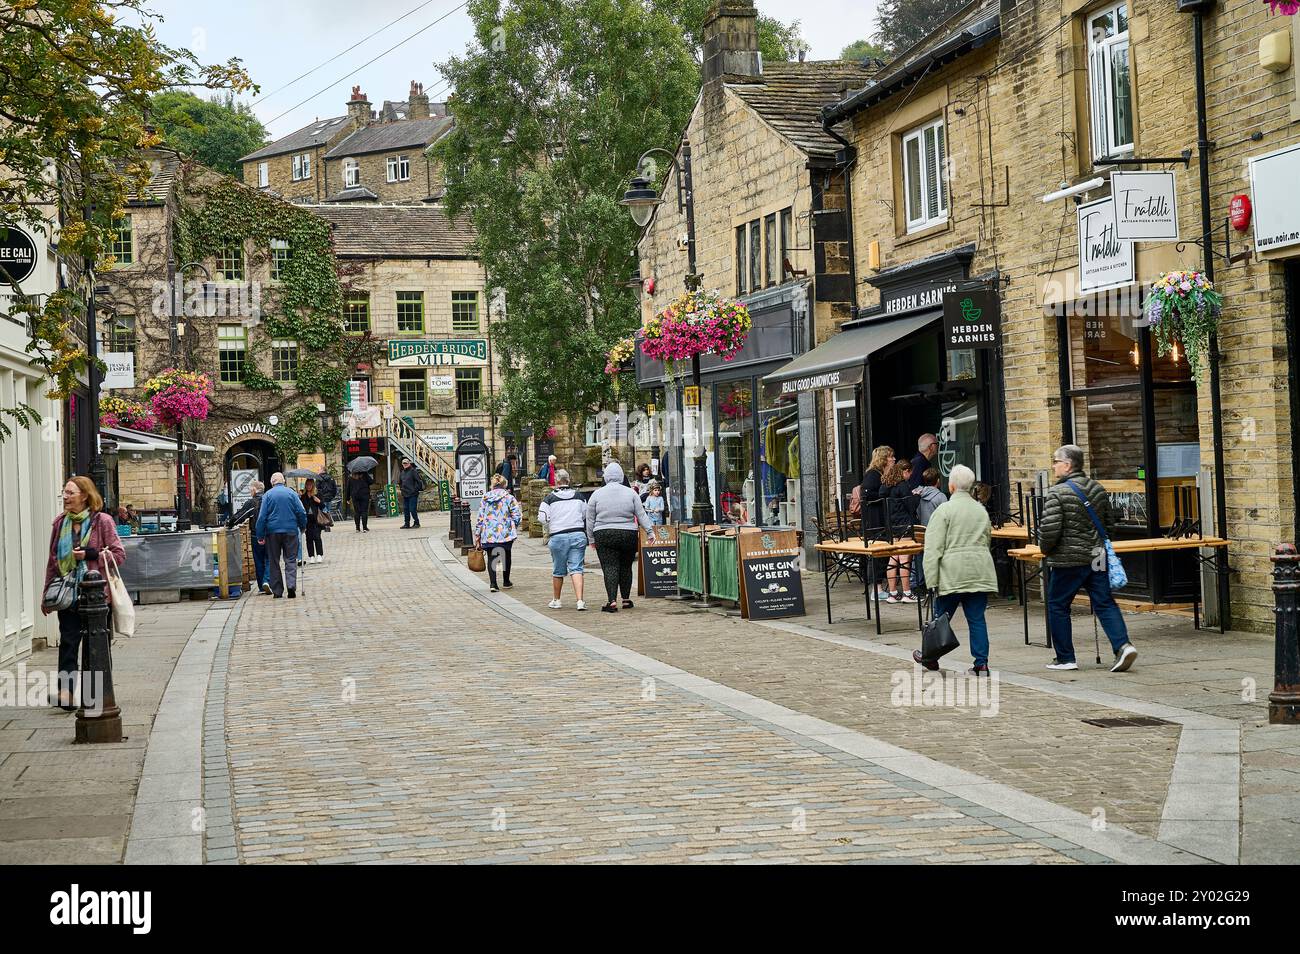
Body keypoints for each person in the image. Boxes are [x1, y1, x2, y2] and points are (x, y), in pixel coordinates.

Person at [1039, 444, 1138, 673]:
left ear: (1067, 464)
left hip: (1068, 559)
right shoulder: (1097, 488)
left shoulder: (1057, 493)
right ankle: (1123, 646)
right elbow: (1109, 525)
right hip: (1097, 555)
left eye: (1056, 461)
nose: (1053, 465)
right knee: (1104, 602)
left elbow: (1050, 531)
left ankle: (1065, 658)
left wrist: (1045, 549)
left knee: (1057, 606)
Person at [42, 476, 126, 710]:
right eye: (65, 493)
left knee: (95, 646)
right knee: (68, 643)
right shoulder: (60, 523)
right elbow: (53, 561)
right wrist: (46, 593)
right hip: (68, 593)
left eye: (70, 493)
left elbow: (119, 555)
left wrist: (91, 555)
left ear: (85, 496)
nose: (66, 497)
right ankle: (66, 694)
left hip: (96, 596)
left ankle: (95, 696)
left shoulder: (103, 521)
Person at [913, 464, 997, 676]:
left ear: (951, 486)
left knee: (940, 618)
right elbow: (987, 540)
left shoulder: (944, 511)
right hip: (978, 571)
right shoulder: (981, 510)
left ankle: (930, 657)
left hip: (951, 574)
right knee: (977, 619)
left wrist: (930, 580)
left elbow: (933, 548)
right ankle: (982, 663)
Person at [586, 461, 652, 613]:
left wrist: (591, 539)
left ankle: (612, 601)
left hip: (604, 533)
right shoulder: (631, 493)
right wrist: (649, 532)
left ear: (606, 477)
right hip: (628, 533)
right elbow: (641, 514)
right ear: (622, 476)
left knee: (609, 567)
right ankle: (626, 599)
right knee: (626, 566)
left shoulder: (597, 494)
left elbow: (590, 519)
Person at [538, 468, 587, 611]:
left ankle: (557, 600)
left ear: (556, 482)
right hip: (578, 534)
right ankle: (580, 601)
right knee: (577, 568)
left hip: (558, 535)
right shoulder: (579, 496)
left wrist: (552, 522)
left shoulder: (549, 498)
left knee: (558, 570)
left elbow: (542, 518)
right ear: (568, 480)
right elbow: (585, 513)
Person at [255, 472, 307, 599]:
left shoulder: (267, 495)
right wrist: (302, 525)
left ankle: (277, 590)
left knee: (274, 561)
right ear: (283, 481)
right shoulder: (292, 493)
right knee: (290, 559)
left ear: (272, 482)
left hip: (272, 532)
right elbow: (301, 511)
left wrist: (260, 535)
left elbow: (262, 517)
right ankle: (291, 586)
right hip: (290, 530)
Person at [475, 474, 522, 592]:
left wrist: (477, 533)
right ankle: (506, 581)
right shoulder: (509, 497)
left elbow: (480, 517)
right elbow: (517, 515)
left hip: (489, 532)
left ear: (492, 485)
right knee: (506, 555)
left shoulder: (485, 497)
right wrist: (512, 526)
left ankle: (493, 584)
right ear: (504, 485)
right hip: (505, 532)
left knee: (492, 557)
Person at [883, 459, 917, 603]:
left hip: (891, 525)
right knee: (904, 559)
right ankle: (907, 593)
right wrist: (917, 496)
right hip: (904, 525)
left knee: (893, 559)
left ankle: (892, 593)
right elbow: (911, 506)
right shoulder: (903, 486)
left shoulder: (887, 486)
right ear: (904, 472)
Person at [227, 480, 270, 593]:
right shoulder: (269, 499)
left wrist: (229, 524)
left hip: (257, 534)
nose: (250, 492)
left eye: (250, 490)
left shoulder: (252, 502)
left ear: (254, 490)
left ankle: (262, 586)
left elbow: (240, 515)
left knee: (259, 560)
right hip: (271, 534)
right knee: (270, 559)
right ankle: (268, 581)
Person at [910, 468, 947, 594]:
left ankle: (917, 583)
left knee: (919, 555)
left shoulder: (917, 493)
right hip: (935, 534)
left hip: (921, 532)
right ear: (937, 481)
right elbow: (946, 516)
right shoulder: (941, 497)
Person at [858, 445, 895, 539]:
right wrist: (885, 495)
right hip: (875, 518)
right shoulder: (873, 474)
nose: (894, 459)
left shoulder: (883, 473)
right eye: (891, 457)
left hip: (882, 516)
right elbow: (866, 494)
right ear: (883, 459)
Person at [300, 478, 325, 565]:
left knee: (317, 537)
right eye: (307, 485)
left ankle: (319, 554)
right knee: (309, 538)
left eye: (310, 485)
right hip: (307, 520)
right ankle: (311, 556)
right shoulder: (303, 496)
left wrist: (318, 501)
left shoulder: (318, 494)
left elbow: (323, 506)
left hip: (316, 519)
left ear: (313, 485)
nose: (308, 486)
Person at [398, 458, 424, 529]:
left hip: (412, 494)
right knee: (406, 509)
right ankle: (407, 524)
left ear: (409, 463)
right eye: (404, 463)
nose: (405, 464)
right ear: (402, 464)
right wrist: (402, 489)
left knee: (412, 509)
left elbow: (418, 482)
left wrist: (415, 490)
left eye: (406, 463)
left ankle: (417, 523)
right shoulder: (402, 472)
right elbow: (400, 482)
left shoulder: (413, 471)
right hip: (405, 494)